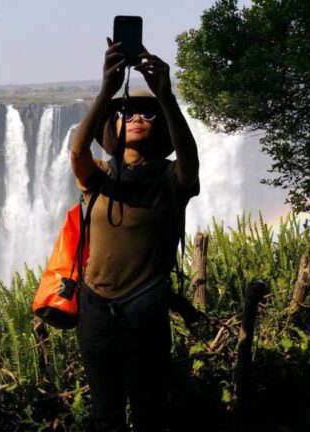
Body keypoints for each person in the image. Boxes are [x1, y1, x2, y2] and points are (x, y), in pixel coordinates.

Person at [68, 37, 201, 432]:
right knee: (104, 413)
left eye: (148, 114)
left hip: (144, 311)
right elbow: (77, 154)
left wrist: (167, 96)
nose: (137, 117)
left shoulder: (170, 179)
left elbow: (190, 159)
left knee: (149, 410)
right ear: (113, 126)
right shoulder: (101, 176)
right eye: (126, 113)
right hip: (95, 310)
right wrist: (106, 90)